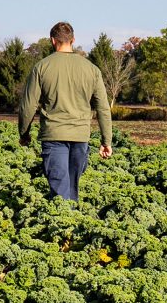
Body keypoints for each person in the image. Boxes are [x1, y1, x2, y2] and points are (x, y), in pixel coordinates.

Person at [18, 21, 113, 201]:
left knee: (60, 190)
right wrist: (106, 141)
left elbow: (28, 105)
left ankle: (64, 223)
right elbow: (103, 108)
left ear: (53, 41)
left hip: (54, 136)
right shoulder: (92, 69)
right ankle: (71, 223)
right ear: (73, 40)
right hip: (80, 136)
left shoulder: (41, 67)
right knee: (71, 187)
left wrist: (24, 133)